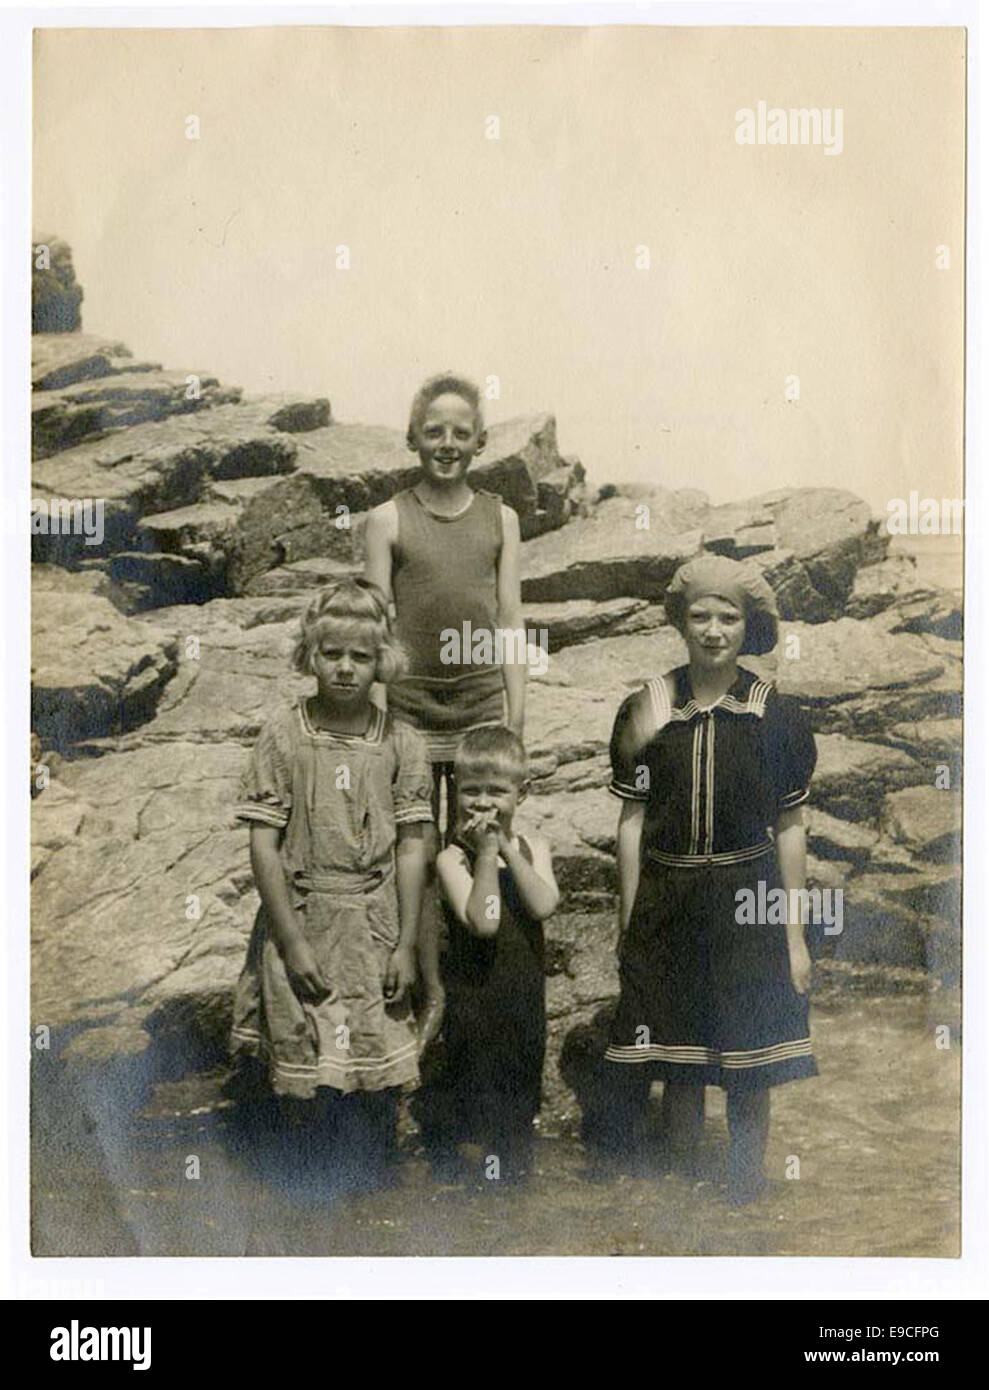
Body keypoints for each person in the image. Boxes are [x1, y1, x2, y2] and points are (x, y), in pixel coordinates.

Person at [595, 553, 818, 1205]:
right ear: (679, 623)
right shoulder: (647, 708)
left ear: (747, 627)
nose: (714, 630)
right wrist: (627, 921)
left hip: (750, 902)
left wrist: (795, 937)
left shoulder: (774, 715)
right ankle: (686, 1206)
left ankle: (746, 1200)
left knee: (752, 1066)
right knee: (679, 1062)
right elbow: (631, 822)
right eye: (700, 616)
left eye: (728, 617)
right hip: (668, 901)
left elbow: (790, 828)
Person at [229, 578, 433, 1188]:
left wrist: (403, 946)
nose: (345, 669)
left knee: (370, 1062)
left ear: (382, 662)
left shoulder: (401, 741)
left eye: (361, 656)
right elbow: (263, 842)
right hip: (305, 916)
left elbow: (414, 845)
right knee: (308, 1065)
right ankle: (306, 1206)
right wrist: (291, 941)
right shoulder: (284, 734)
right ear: (309, 656)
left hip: (372, 926)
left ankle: (368, 1208)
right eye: (332, 654)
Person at [364, 372, 526, 1042]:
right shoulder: (386, 518)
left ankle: (477, 991)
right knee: (416, 850)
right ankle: (429, 993)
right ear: (413, 437)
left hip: (480, 712)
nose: (447, 443)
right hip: (406, 714)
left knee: (479, 842)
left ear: (480, 441)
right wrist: (376, 725)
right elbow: (375, 629)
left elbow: (511, 620)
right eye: (434, 431)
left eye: (461, 432)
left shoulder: (501, 517)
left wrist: (515, 718)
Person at [425, 726, 558, 1183]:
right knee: (475, 1111)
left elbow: (543, 904)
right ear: (455, 791)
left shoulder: (533, 847)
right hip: (475, 1002)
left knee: (519, 1105)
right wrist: (484, 856)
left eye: (497, 791)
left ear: (522, 793)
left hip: (522, 1000)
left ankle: (513, 1203)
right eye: (471, 791)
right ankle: (472, 1204)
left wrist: (505, 850)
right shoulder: (452, 859)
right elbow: (484, 920)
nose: (483, 803)